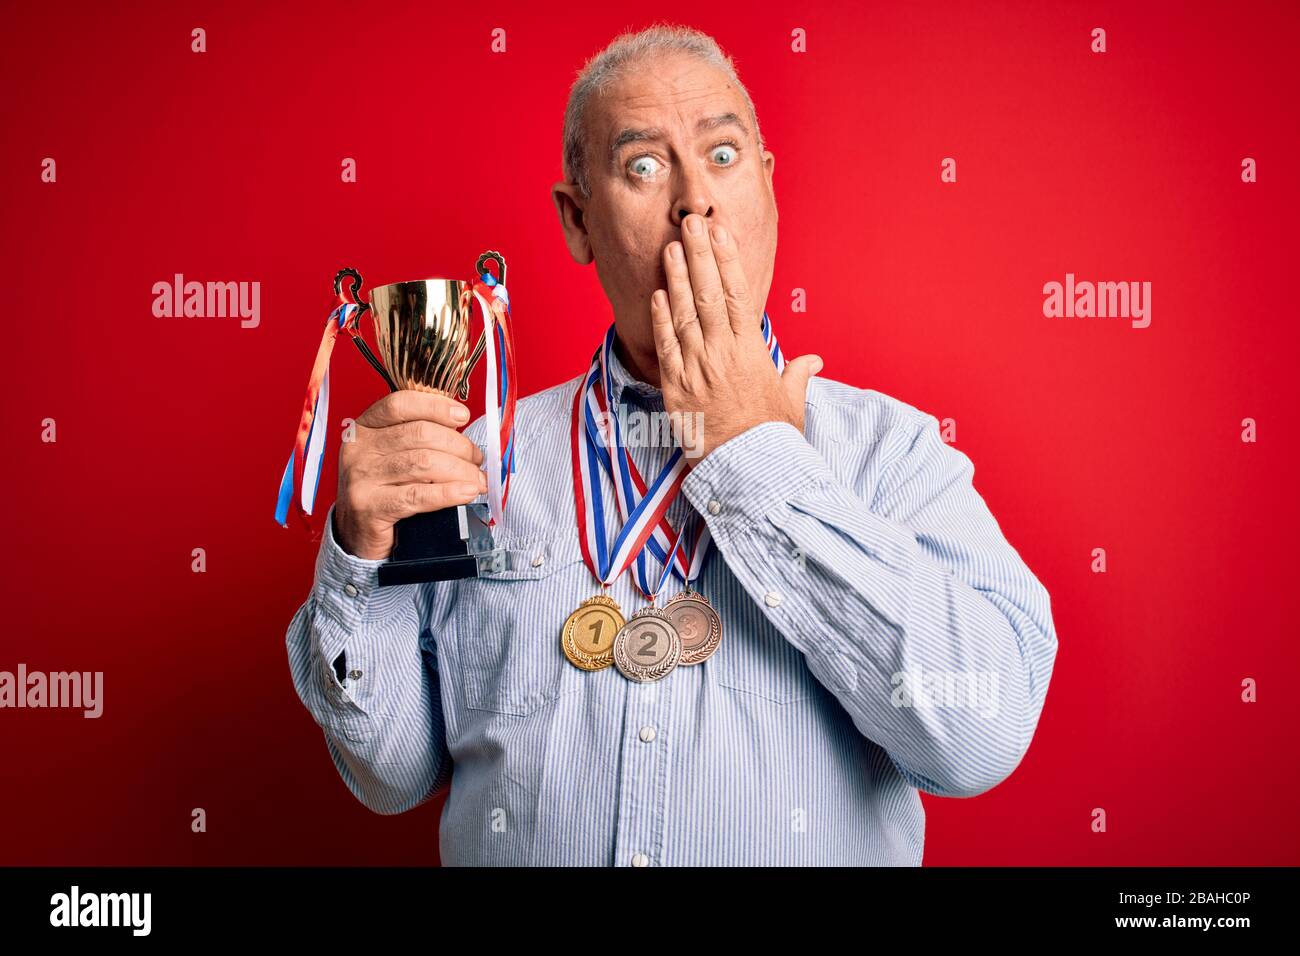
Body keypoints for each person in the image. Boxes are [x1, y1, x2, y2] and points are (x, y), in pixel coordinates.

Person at [285, 23, 1057, 866]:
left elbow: (981, 739)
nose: (695, 201)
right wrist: (358, 555)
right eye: (643, 167)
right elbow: (390, 774)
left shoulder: (891, 452)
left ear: (767, 189)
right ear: (577, 223)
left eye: (723, 155)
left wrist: (755, 455)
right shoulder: (473, 465)